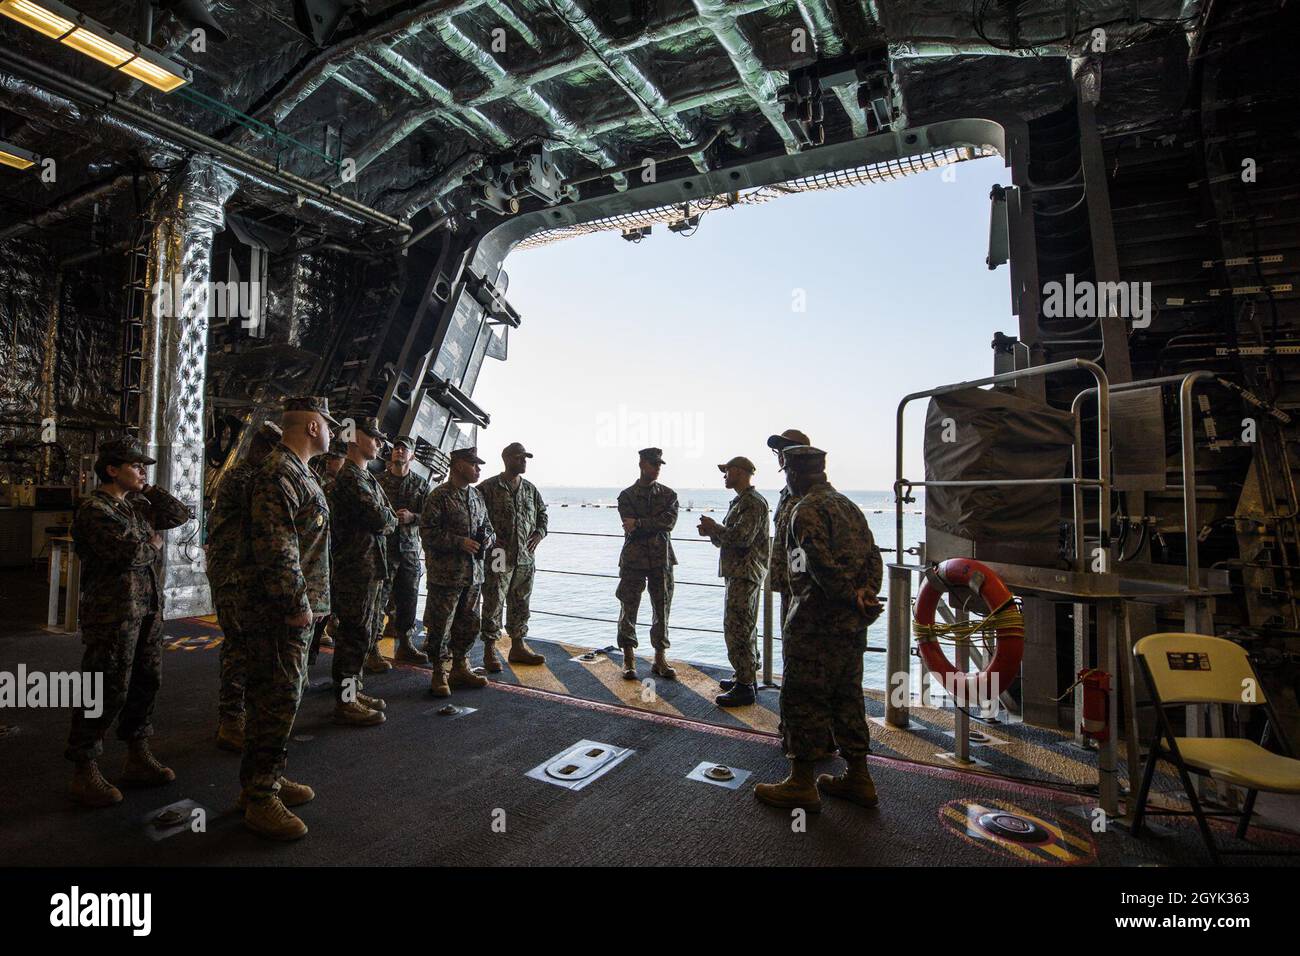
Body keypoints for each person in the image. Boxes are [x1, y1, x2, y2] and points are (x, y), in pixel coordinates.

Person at [754, 446, 884, 814]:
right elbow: (874, 557)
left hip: (815, 624)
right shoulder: (849, 506)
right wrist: (864, 595)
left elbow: (819, 566)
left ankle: (800, 783)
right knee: (847, 697)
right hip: (851, 626)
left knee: (802, 698)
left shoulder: (804, 510)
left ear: (793, 473)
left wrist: (845, 595)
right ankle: (859, 775)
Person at [65, 437, 192, 807]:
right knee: (104, 686)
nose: (142, 471)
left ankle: (137, 754)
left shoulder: (136, 504)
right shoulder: (94, 508)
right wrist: (151, 546)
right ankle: (84, 767)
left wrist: (148, 487)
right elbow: (128, 552)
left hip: (147, 609)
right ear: (111, 469)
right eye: (136, 466)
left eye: (144, 467)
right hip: (112, 614)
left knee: (145, 681)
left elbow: (181, 515)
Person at [240, 396, 338, 841]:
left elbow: (307, 548)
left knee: (285, 697)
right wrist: (298, 605)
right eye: (330, 424)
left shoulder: (299, 472)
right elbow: (278, 549)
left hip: (301, 610)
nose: (335, 432)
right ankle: (259, 797)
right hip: (283, 614)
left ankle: (268, 779)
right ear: (314, 427)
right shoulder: (279, 472)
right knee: (275, 699)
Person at [206, 421, 282, 752]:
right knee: (239, 646)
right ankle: (231, 719)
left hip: (245, 573)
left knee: (250, 645)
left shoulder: (254, 476)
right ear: (263, 450)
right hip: (232, 573)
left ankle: (242, 715)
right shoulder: (244, 478)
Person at [328, 416, 396, 725]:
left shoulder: (365, 477)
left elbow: (387, 516)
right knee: (352, 636)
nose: (380, 443)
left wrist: (389, 519)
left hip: (368, 567)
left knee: (361, 634)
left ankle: (353, 691)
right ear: (355, 439)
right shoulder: (351, 478)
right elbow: (384, 520)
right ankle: (345, 701)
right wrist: (390, 520)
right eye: (374, 437)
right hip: (354, 569)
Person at [420, 447, 495, 697]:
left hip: (473, 575)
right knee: (441, 625)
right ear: (458, 465)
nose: (478, 469)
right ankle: (439, 671)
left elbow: (489, 528)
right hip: (446, 576)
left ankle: (460, 666)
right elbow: (427, 533)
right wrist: (458, 542)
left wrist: (488, 540)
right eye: (473, 464)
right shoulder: (439, 496)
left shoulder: (477, 496)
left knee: (469, 622)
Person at [698, 455, 770, 707]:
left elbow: (741, 538)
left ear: (739, 472)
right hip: (739, 572)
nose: (724, 476)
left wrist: (715, 527)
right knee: (742, 624)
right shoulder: (742, 501)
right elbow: (728, 539)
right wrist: (712, 532)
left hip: (745, 572)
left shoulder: (752, 503)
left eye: (727, 471)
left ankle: (745, 685)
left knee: (738, 625)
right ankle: (744, 675)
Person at [477, 442, 548, 670]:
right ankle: (490, 649)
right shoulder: (488, 487)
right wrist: (488, 536)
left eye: (525, 458)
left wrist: (539, 533)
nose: (523, 461)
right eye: (519, 457)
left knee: (521, 602)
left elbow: (542, 514)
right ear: (507, 459)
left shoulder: (530, 489)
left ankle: (518, 646)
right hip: (498, 554)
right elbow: (474, 516)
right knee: (493, 600)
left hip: (525, 557)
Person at [615, 447, 678, 681]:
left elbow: (668, 522)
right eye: (653, 464)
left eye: (660, 464)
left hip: (661, 559)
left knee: (662, 609)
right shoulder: (626, 495)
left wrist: (640, 523)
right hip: (634, 559)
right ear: (642, 464)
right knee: (628, 607)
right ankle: (628, 658)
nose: (657, 468)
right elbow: (628, 524)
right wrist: (650, 524)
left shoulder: (670, 495)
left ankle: (660, 658)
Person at [378, 436, 430, 665]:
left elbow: (431, 517)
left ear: (412, 456)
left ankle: (405, 645)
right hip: (383, 551)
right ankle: (371, 649)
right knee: (378, 600)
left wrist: (413, 517)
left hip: (408, 550)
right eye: (396, 448)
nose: (399, 451)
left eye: (404, 449)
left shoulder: (421, 485)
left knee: (408, 598)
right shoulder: (378, 482)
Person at [764, 429, 810, 680]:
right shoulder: (787, 493)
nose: (780, 456)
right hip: (788, 586)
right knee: (790, 645)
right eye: (779, 451)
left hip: (804, 592)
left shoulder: (810, 495)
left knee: (802, 650)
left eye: (786, 450)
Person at [307, 440, 346, 663]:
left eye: (336, 458)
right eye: (330, 458)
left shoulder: (343, 485)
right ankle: (312, 650)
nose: (332, 462)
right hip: (323, 554)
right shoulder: (321, 484)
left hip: (338, 554)